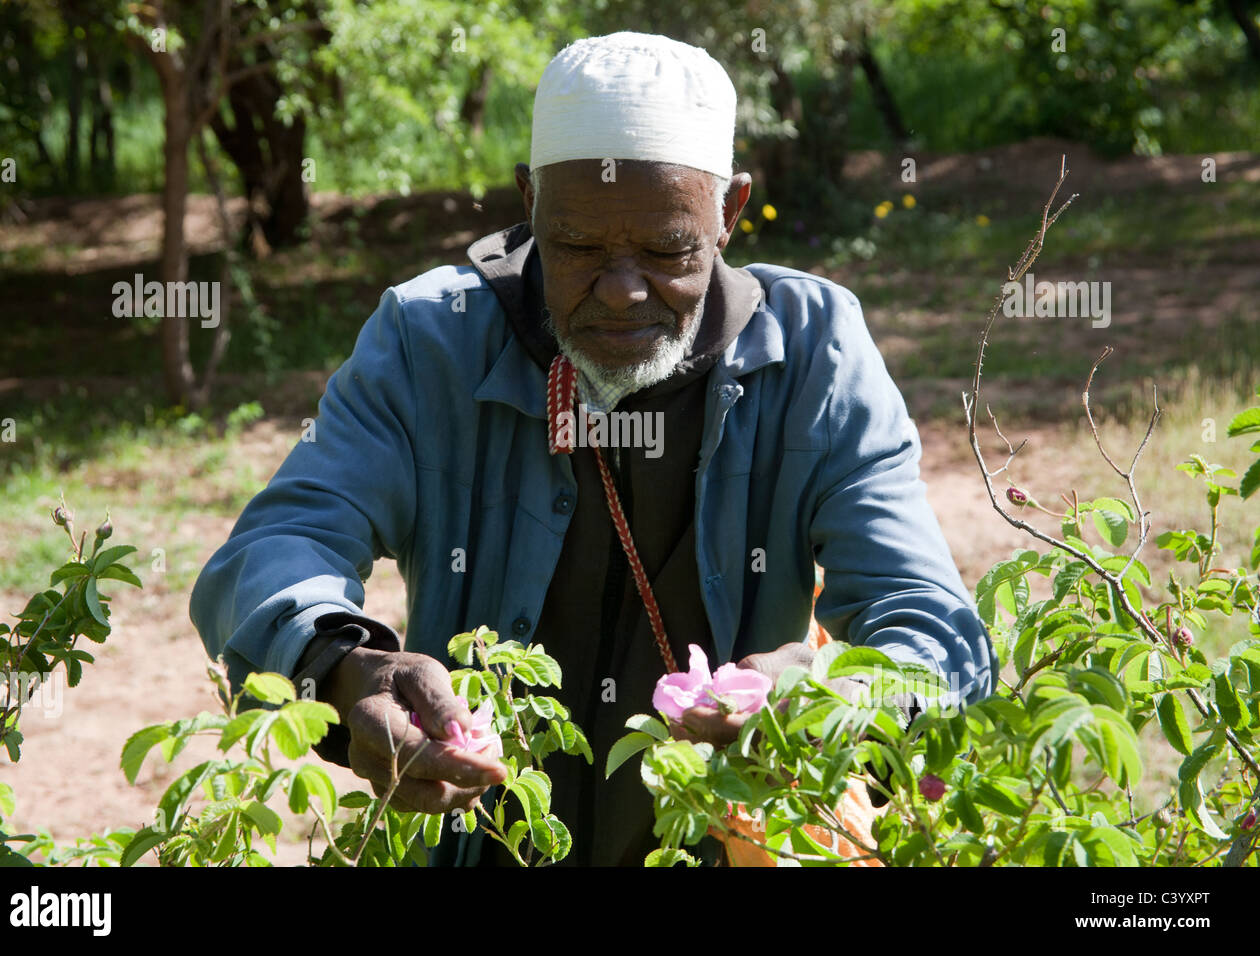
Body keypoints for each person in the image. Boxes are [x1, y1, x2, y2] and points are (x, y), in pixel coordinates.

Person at [189, 31, 997, 866]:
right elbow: (279, 544)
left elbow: (932, 628)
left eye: (666, 250)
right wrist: (343, 663)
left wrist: (827, 693)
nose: (621, 290)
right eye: (575, 247)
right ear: (528, 200)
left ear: (730, 214)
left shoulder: (814, 355)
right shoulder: (432, 340)